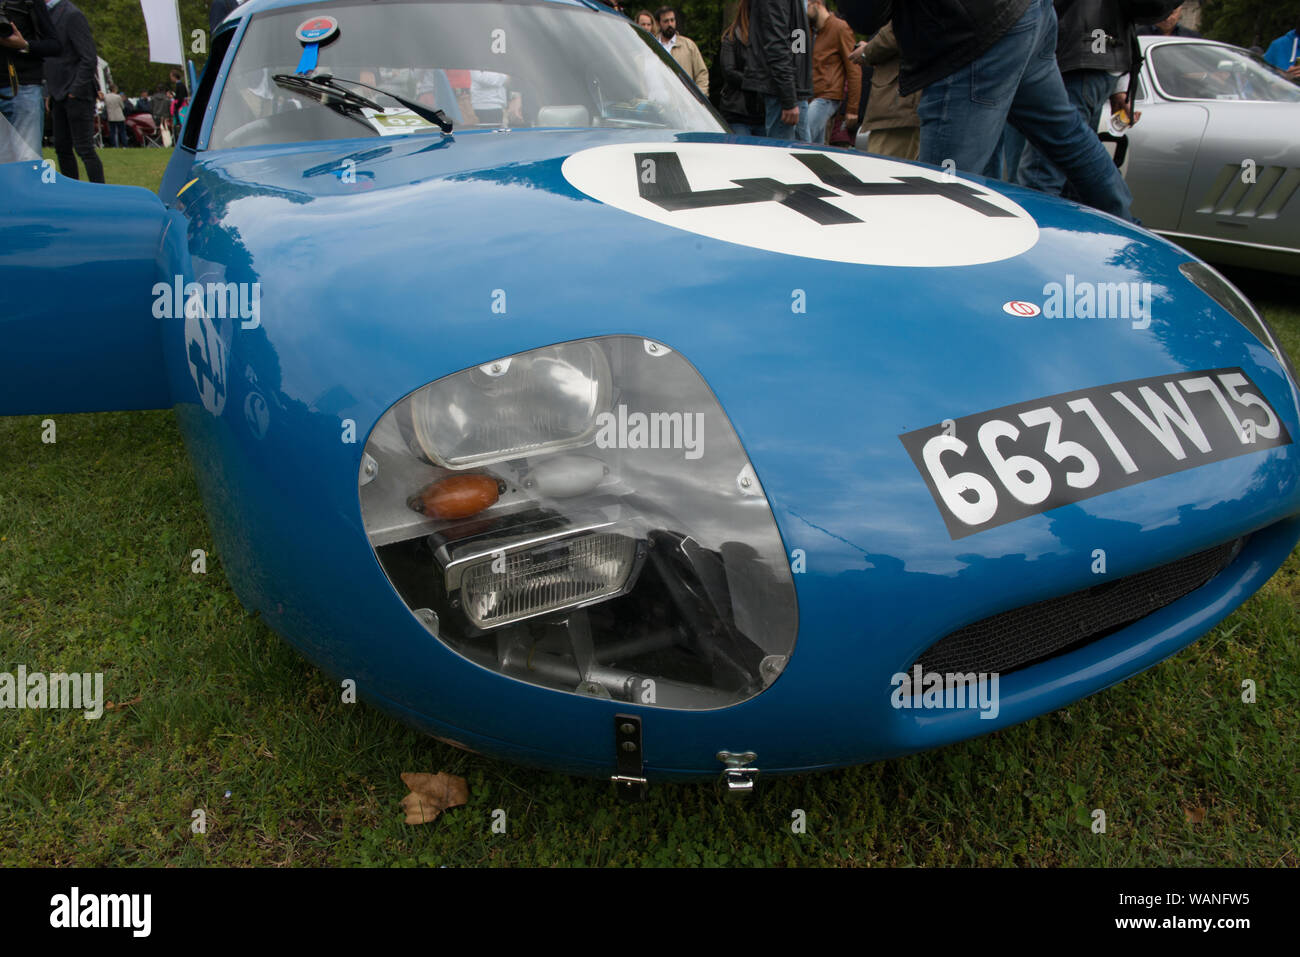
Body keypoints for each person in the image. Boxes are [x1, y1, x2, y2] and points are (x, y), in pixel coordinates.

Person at [837, 0, 1134, 221]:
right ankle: (1129, 226)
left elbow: (865, 12)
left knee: (945, 184)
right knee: (1063, 131)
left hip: (969, 31)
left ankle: (936, 282)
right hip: (1026, 12)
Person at [1017, 1, 1167, 200]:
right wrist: (1120, 84)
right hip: (1094, 57)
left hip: (1074, 59)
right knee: (1070, 172)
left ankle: (1118, 212)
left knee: (1044, 173)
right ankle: (1112, 213)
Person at [44, 0, 102, 182]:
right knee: (61, 147)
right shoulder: (45, 15)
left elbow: (89, 57)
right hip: (57, 93)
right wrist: (49, 91)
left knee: (84, 148)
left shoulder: (71, 15)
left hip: (77, 93)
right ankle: (73, 191)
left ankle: (99, 192)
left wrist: (74, 90)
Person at [0, 0, 61, 157]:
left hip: (23, 87)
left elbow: (54, 45)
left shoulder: (29, 1)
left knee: (27, 159)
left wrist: (24, 44)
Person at [744, 0, 812, 139]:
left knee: (801, 154)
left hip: (792, 91)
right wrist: (789, 99)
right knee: (785, 156)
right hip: (782, 94)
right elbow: (777, 46)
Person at [851, 22, 919, 159]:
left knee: (880, 171)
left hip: (898, 102)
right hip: (908, 100)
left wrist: (866, 52)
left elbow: (897, 28)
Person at [798, 0, 860, 143]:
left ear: (817, 3)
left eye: (805, 6)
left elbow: (854, 70)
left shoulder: (840, 28)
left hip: (827, 96)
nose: (802, 12)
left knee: (801, 138)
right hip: (807, 97)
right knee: (815, 147)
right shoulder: (806, 30)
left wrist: (852, 109)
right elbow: (797, 59)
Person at [719, 0, 764, 134]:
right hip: (737, 111)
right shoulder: (731, 37)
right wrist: (756, 81)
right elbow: (729, 71)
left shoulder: (766, 38)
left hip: (762, 112)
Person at [655, 7, 708, 94]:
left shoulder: (688, 45)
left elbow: (701, 73)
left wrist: (700, 98)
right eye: (666, 21)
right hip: (658, 100)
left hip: (685, 101)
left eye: (672, 20)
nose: (670, 24)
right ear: (658, 23)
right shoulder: (652, 46)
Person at [104, 83, 127, 147]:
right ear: (115, 89)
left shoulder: (106, 97)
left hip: (111, 116)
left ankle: (114, 145)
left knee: (112, 132)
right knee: (122, 131)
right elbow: (122, 106)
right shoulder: (118, 97)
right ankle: (124, 145)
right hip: (119, 116)